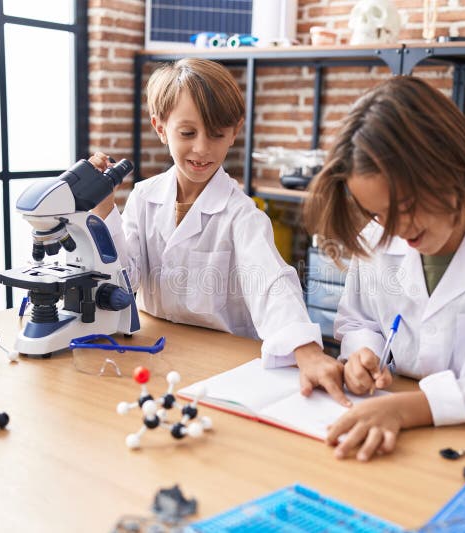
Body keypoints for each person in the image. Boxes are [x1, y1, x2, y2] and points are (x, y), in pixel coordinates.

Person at [302, 76, 465, 461]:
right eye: (378, 213)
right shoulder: (378, 238)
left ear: (449, 168)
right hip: (402, 428)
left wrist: (401, 409)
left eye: (406, 207)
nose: (394, 228)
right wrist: (364, 354)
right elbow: (360, 322)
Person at [89, 58, 349, 404]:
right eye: (187, 133)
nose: (202, 148)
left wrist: (308, 352)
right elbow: (126, 279)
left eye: (217, 134)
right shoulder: (143, 197)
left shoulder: (241, 214)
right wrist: (104, 207)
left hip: (224, 361)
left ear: (234, 132)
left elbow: (271, 283)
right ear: (160, 127)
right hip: (156, 349)